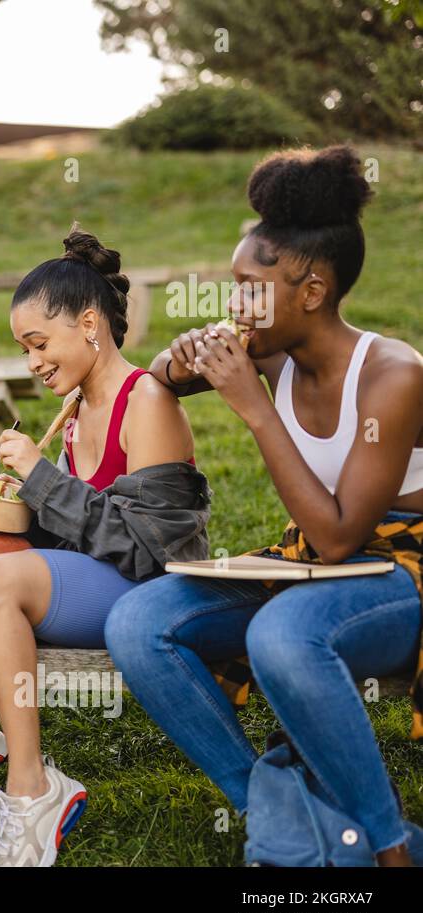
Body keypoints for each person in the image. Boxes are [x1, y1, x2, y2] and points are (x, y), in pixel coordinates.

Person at [105, 145, 423, 866]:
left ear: (311, 292)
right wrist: (176, 360)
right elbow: (162, 375)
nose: (234, 305)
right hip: (311, 568)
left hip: (400, 572)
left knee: (281, 636)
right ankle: (281, 815)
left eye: (252, 288)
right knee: (139, 621)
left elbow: (342, 537)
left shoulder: (393, 376)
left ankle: (388, 846)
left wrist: (254, 409)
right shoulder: (273, 356)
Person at [0, 225, 210, 866]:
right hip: (83, 576)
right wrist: (6, 500)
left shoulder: (149, 403)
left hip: (146, 592)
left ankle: (33, 786)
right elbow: (65, 529)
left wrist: (43, 478)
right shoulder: (77, 407)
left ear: (89, 324)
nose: (32, 363)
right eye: (24, 349)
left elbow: (150, 548)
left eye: (38, 343)